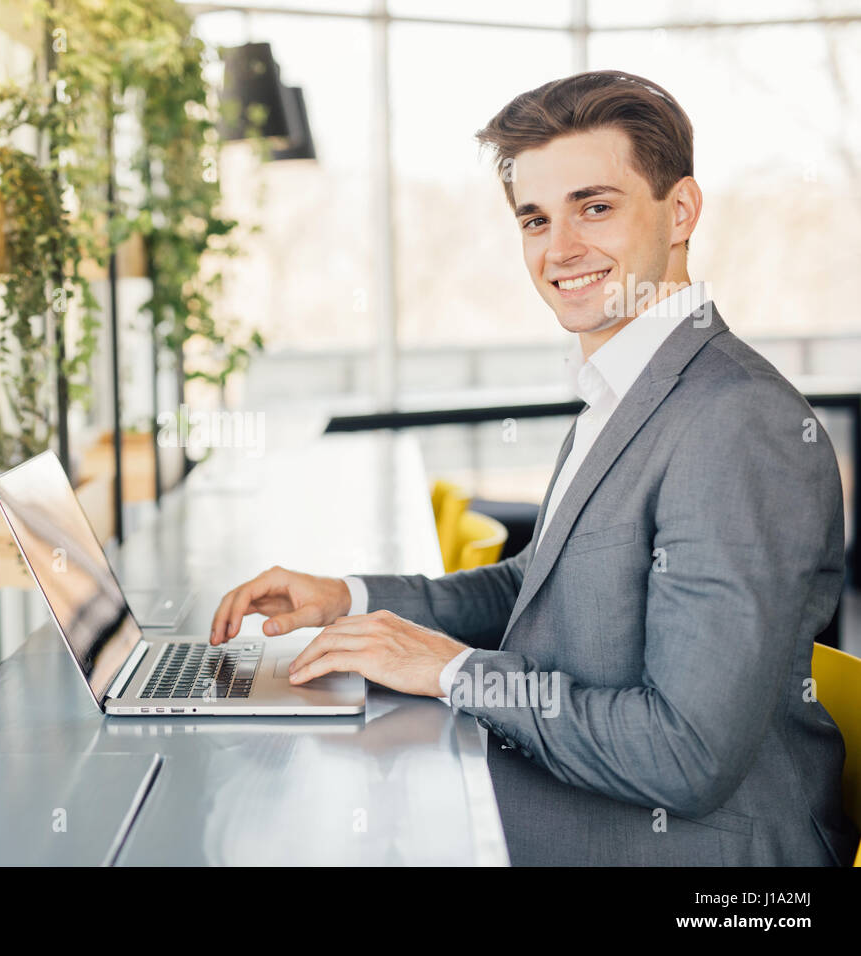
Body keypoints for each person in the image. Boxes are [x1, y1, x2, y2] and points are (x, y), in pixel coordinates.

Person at [210, 70, 857, 866]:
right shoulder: (628, 385)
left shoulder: (737, 423)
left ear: (681, 210)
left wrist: (454, 673)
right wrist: (350, 599)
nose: (561, 250)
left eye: (595, 207)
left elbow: (684, 756)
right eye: (534, 219)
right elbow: (538, 586)